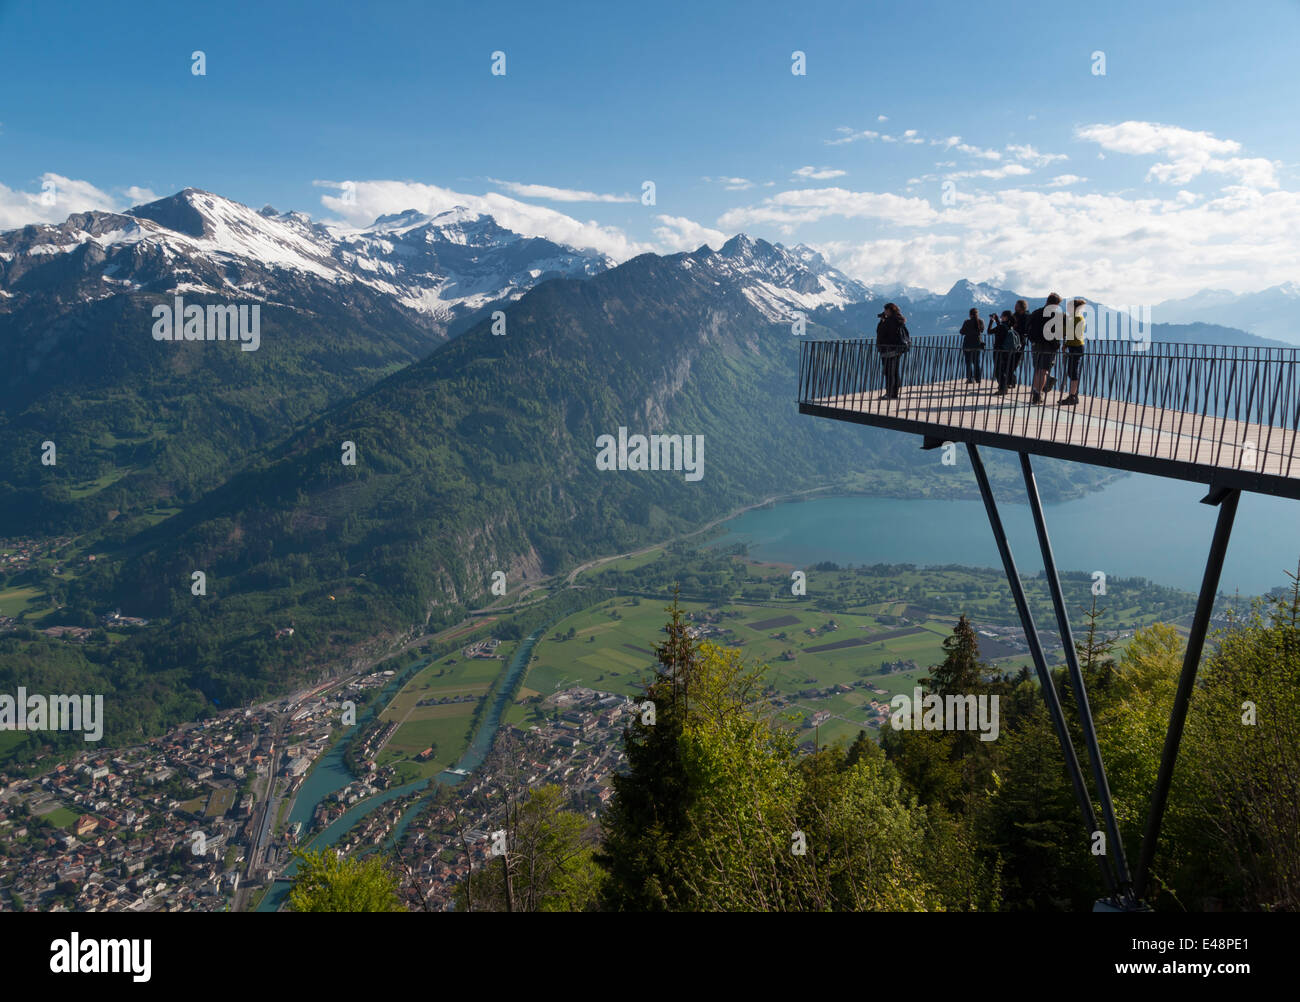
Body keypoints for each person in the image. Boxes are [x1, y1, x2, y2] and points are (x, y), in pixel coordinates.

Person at [1028, 292, 1063, 405]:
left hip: (1036, 345)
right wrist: (1056, 345)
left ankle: (1035, 392)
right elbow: (1058, 333)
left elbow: (1027, 328)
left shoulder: (1036, 312)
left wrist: (1032, 340)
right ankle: (1038, 394)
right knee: (1044, 370)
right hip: (1049, 346)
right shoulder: (1056, 316)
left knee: (1037, 370)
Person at [875, 302, 910, 400]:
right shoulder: (898, 320)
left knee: (888, 372)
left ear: (889, 310)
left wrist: (882, 321)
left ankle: (889, 393)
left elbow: (880, 332)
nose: (884, 312)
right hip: (897, 350)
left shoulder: (889, 321)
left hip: (888, 349)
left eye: (886, 310)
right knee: (894, 371)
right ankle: (894, 393)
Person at [1060, 297, 1086, 405]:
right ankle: (1073, 395)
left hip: (1076, 347)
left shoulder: (1077, 318)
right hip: (1073, 346)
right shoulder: (1075, 318)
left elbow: (1070, 332)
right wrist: (1066, 344)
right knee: (1071, 371)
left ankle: (1072, 396)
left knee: (1073, 371)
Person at [990, 309, 1017, 395]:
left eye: (1002, 316)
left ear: (1005, 317)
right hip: (1007, 351)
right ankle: (1004, 386)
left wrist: (991, 321)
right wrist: (997, 320)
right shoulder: (1010, 326)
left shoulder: (1001, 326)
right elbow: (1000, 328)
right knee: (1003, 369)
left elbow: (989, 331)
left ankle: (1002, 388)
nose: (1001, 317)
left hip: (998, 350)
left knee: (998, 370)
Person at [959, 308, 984, 384]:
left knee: (968, 362)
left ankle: (970, 378)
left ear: (970, 315)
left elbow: (961, 332)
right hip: (977, 344)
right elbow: (982, 330)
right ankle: (978, 379)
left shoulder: (967, 322)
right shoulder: (980, 321)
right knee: (976, 362)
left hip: (967, 344)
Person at [1010, 299, 1030, 388]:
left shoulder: (1026, 316)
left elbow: (1026, 328)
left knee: (1015, 360)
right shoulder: (1014, 315)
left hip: (1021, 340)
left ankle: (1011, 379)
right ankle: (1010, 379)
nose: (1015, 306)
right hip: (1013, 340)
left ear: (1021, 307)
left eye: (1017, 305)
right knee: (1010, 360)